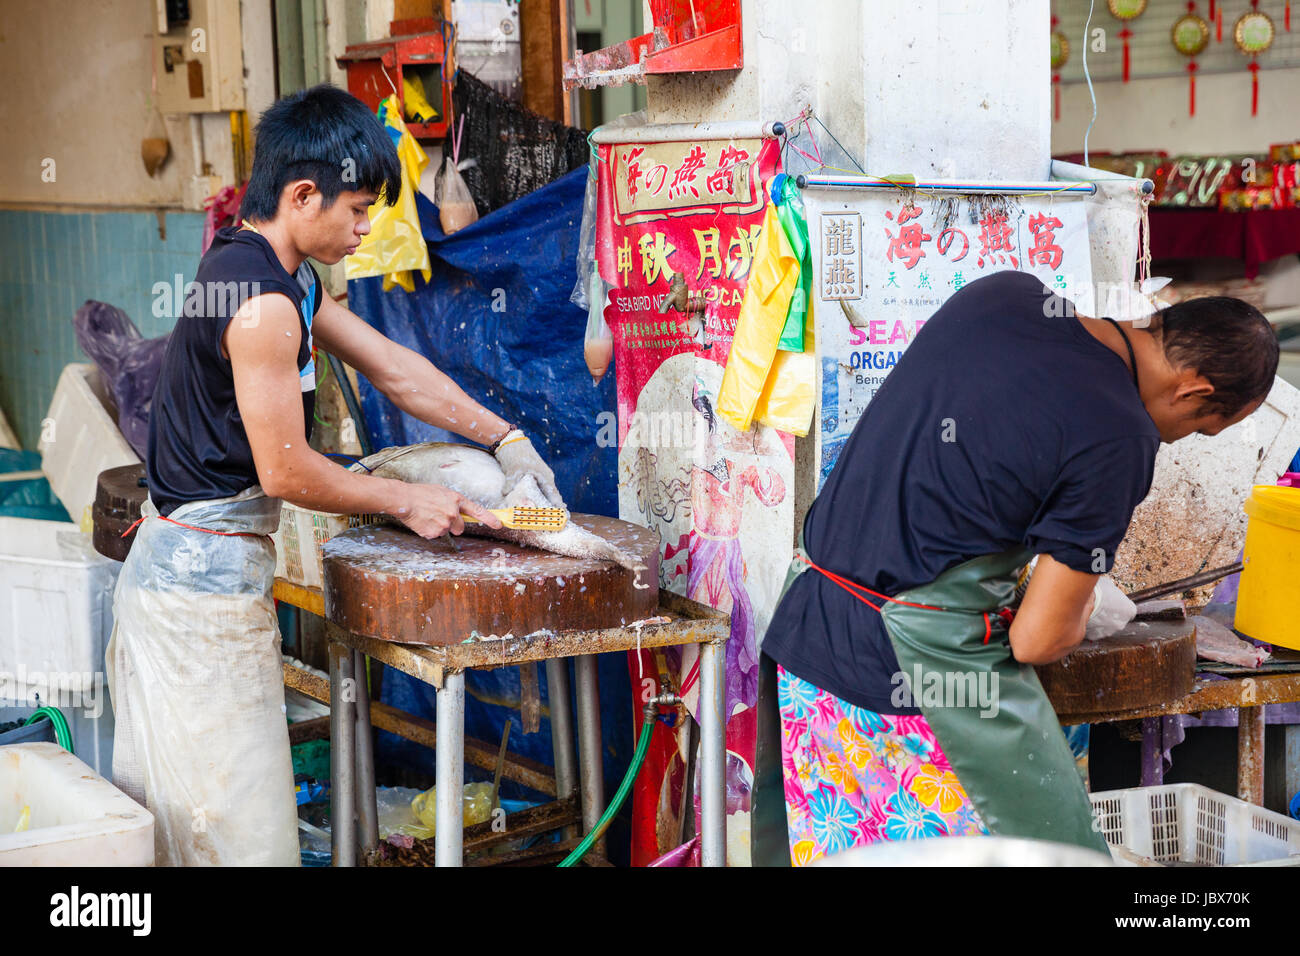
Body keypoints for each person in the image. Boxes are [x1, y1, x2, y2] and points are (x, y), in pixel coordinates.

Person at [105, 84, 561, 866]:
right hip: (194, 604)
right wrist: (408, 499)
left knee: (211, 835)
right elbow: (285, 470)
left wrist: (508, 438)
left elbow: (396, 371)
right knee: (236, 842)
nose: (365, 228)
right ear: (301, 194)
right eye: (355, 210)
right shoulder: (261, 303)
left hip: (200, 577)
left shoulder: (279, 273)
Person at [758, 270, 1279, 865]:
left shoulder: (1004, 294)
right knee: (1055, 854)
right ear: (1191, 390)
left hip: (808, 635)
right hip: (913, 682)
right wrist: (1082, 608)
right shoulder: (1120, 436)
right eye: (1198, 429)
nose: (1178, 439)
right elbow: (1038, 639)